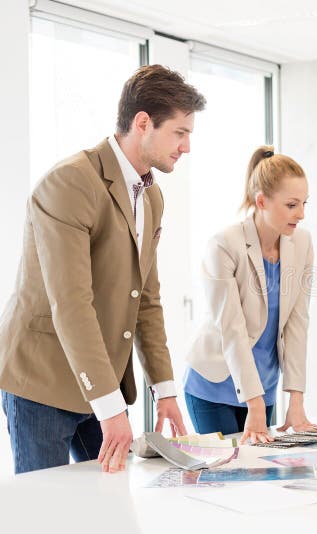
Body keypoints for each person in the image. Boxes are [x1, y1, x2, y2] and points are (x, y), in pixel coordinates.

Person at [0, 65, 205, 474]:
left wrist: (165, 390)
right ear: (143, 123)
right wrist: (111, 410)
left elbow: (146, 299)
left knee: (110, 499)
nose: (186, 147)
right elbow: (71, 302)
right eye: (179, 133)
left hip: (102, 379)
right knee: (48, 504)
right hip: (42, 380)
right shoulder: (70, 183)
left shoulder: (151, 197)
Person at [184, 146, 317, 444]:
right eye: (292, 205)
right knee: (228, 466)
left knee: (259, 468)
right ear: (261, 201)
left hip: (263, 386)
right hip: (214, 385)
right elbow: (231, 328)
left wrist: (296, 399)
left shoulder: (301, 242)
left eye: (304, 203)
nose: (301, 214)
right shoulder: (224, 244)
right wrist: (253, 404)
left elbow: (297, 323)